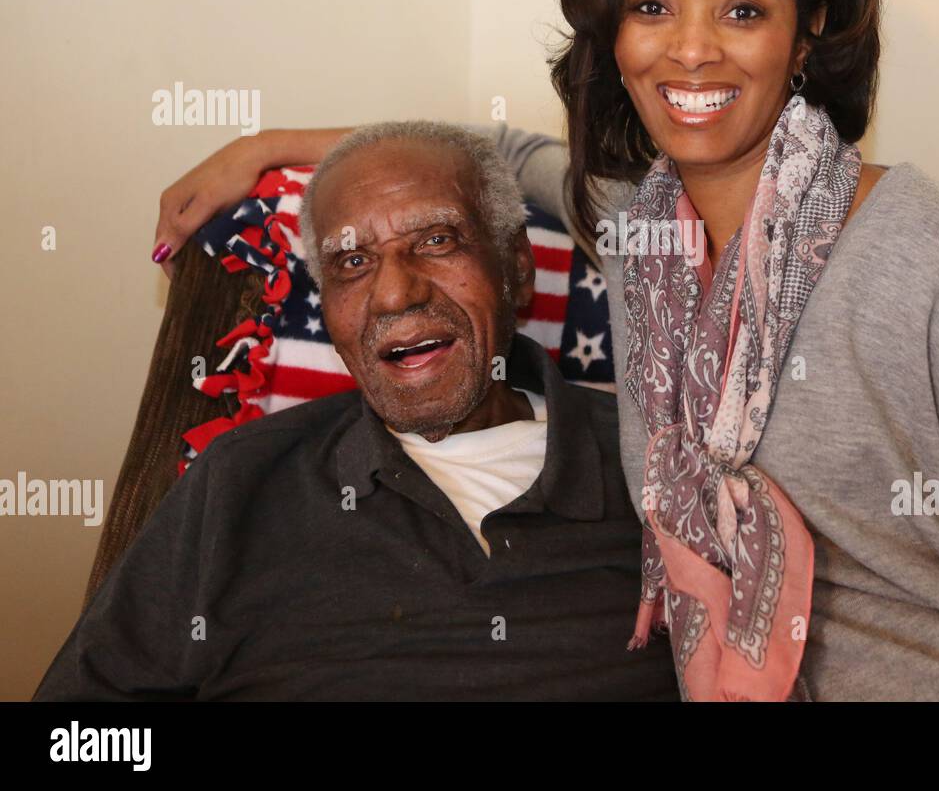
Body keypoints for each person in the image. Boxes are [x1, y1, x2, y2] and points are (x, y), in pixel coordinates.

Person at [150, 0, 939, 700]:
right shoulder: (637, 227)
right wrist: (266, 146)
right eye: (652, 6)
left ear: (807, 31)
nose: (690, 49)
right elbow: (492, 155)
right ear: (614, 32)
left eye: (741, 8)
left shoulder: (924, 250)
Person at [36, 124, 679, 700]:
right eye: (353, 262)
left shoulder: (658, 461)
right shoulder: (242, 479)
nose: (395, 293)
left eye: (436, 240)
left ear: (516, 266)